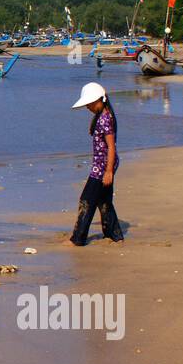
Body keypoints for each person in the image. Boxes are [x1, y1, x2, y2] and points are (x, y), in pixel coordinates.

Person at [69, 81, 123, 246]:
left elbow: (111, 147)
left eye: (89, 104)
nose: (87, 107)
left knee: (87, 199)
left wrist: (108, 171)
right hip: (103, 164)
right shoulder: (103, 116)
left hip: (102, 166)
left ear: (100, 100)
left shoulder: (105, 119)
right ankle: (115, 235)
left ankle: (78, 238)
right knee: (104, 200)